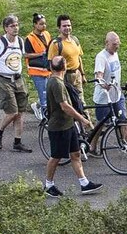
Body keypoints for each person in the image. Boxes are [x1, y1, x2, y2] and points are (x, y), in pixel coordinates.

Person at [40, 61, 99, 197]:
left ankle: (84, 183)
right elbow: (64, 106)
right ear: (65, 67)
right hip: (59, 126)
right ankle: (48, 185)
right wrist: (82, 119)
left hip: (68, 124)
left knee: (76, 154)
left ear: (51, 67)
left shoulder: (57, 81)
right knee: (56, 157)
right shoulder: (56, 83)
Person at [0, 15, 30, 152]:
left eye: (17, 25)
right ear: (6, 28)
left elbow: (22, 58)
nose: (15, 28)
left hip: (18, 79)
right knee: (12, 112)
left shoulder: (20, 41)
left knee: (20, 112)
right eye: (12, 26)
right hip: (3, 80)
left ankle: (17, 142)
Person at [92, 31, 125, 134]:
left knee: (123, 121)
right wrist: (103, 85)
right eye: (114, 44)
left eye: (118, 44)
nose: (117, 47)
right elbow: (99, 75)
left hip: (116, 95)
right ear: (107, 43)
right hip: (104, 98)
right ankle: (92, 143)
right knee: (100, 125)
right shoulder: (101, 57)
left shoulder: (115, 53)